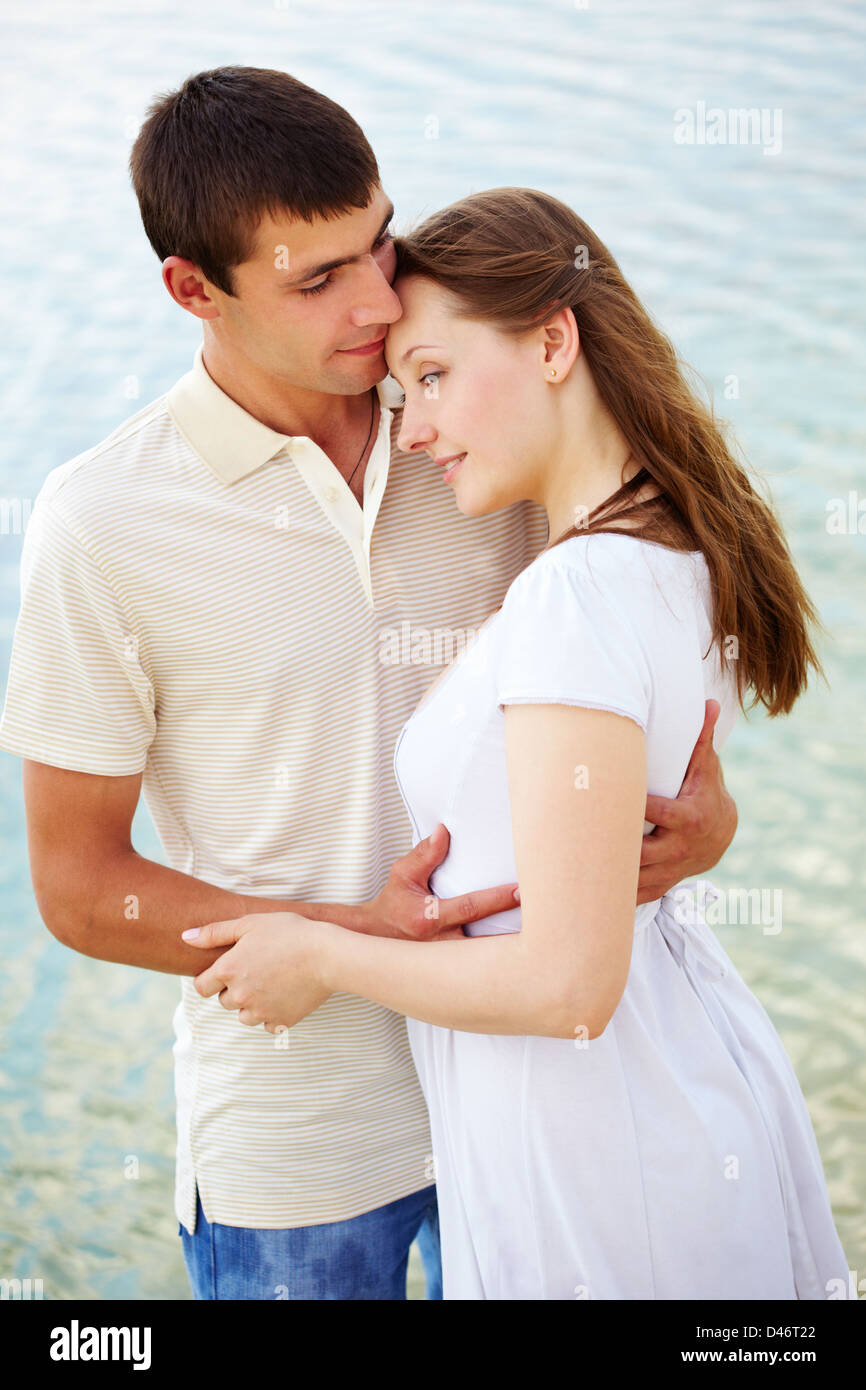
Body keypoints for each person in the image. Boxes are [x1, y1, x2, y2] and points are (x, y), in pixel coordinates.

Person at [0, 72, 736, 1302]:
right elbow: (80, 889)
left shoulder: (467, 425)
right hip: (299, 1146)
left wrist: (710, 826)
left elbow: (608, 660)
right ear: (194, 290)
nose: (379, 300)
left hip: (532, 1101)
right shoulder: (100, 522)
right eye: (316, 279)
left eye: (377, 243)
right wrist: (351, 935)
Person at [186, 186, 851, 1300]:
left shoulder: (574, 595)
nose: (418, 426)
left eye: (435, 377)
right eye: (403, 393)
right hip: (654, 1078)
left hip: (598, 1139)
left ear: (553, 340)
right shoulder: (670, 544)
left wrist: (321, 957)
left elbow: (568, 986)